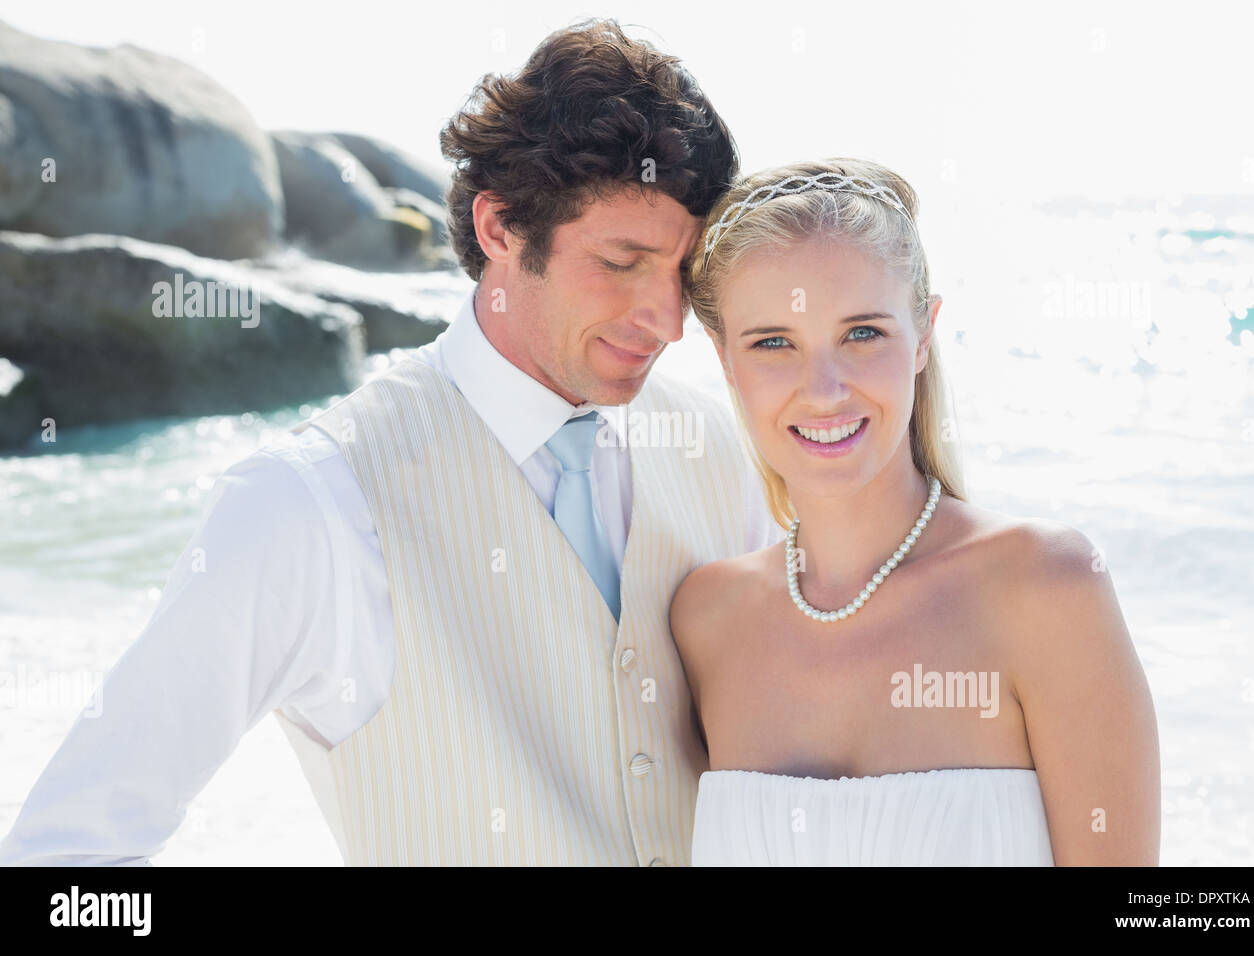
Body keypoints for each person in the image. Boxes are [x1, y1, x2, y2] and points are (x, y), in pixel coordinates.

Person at [0, 18, 784, 867]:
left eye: (682, 273)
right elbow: (65, 854)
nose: (667, 322)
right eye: (623, 262)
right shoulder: (309, 503)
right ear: (501, 230)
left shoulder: (723, 447)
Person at [672, 157, 1161, 866]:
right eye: (773, 342)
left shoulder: (1045, 586)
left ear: (925, 333)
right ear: (723, 359)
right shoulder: (704, 620)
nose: (824, 390)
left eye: (862, 333)